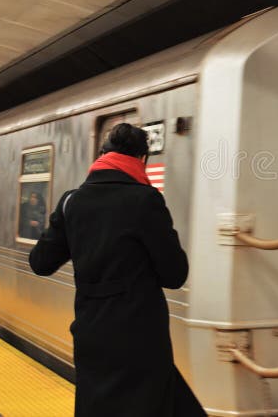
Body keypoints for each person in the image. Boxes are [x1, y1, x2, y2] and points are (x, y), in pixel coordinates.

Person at [29, 123, 204, 417]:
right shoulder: (145, 200)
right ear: (142, 159)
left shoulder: (72, 202)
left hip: (92, 331)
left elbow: (40, 263)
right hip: (140, 335)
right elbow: (175, 275)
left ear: (101, 155)